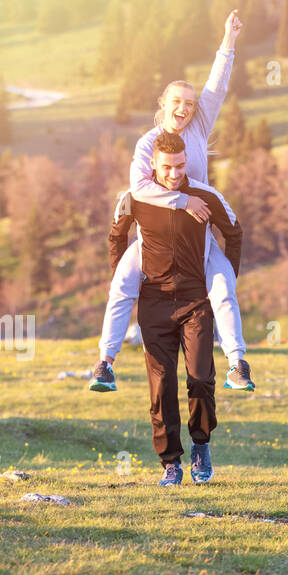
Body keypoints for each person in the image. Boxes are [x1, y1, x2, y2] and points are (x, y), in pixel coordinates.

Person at [90, 10, 254, 395]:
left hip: (198, 238)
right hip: (154, 237)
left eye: (190, 103)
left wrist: (228, 41)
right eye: (177, 101)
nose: (185, 108)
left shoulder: (198, 126)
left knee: (223, 286)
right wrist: (182, 200)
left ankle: (237, 364)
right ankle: (105, 363)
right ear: (163, 103)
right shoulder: (148, 143)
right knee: (122, 284)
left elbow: (217, 88)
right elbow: (138, 188)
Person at [107, 132, 242, 487]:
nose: (173, 174)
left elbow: (235, 232)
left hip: (196, 300)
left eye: (180, 166)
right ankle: (170, 462)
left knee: (200, 379)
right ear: (152, 163)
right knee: (161, 385)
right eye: (166, 167)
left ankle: (201, 444)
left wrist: (227, 279)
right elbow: (116, 235)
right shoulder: (135, 197)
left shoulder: (205, 196)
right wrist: (124, 276)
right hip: (153, 303)